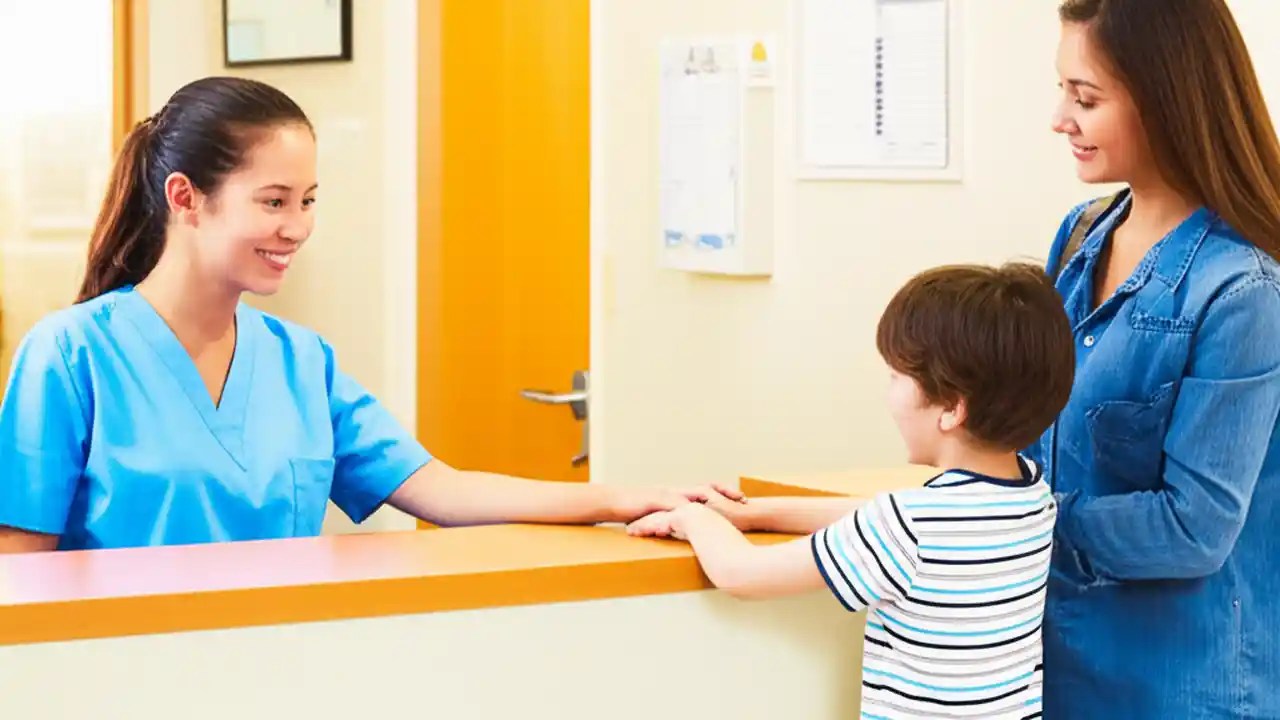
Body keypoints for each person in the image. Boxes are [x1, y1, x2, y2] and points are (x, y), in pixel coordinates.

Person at [0, 76, 739, 553]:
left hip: (285, 673)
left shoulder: (299, 361)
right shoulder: (68, 356)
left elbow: (440, 490)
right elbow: (18, 577)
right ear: (186, 198)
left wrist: (622, 497)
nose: (297, 227)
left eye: (308, 201)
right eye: (273, 201)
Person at [628, 263, 1076, 719]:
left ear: (951, 408)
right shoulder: (1032, 497)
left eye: (896, 379)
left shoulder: (909, 525)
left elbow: (743, 574)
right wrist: (756, 513)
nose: (888, 395)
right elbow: (878, 516)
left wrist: (692, 518)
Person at [1034, 1, 1280, 716]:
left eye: (1085, 98)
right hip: (1058, 677)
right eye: (1062, 91)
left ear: (1167, 98)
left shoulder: (1244, 292)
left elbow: (1192, 529)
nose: (1060, 118)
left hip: (1178, 694)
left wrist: (1016, 525)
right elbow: (1025, 448)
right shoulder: (1080, 239)